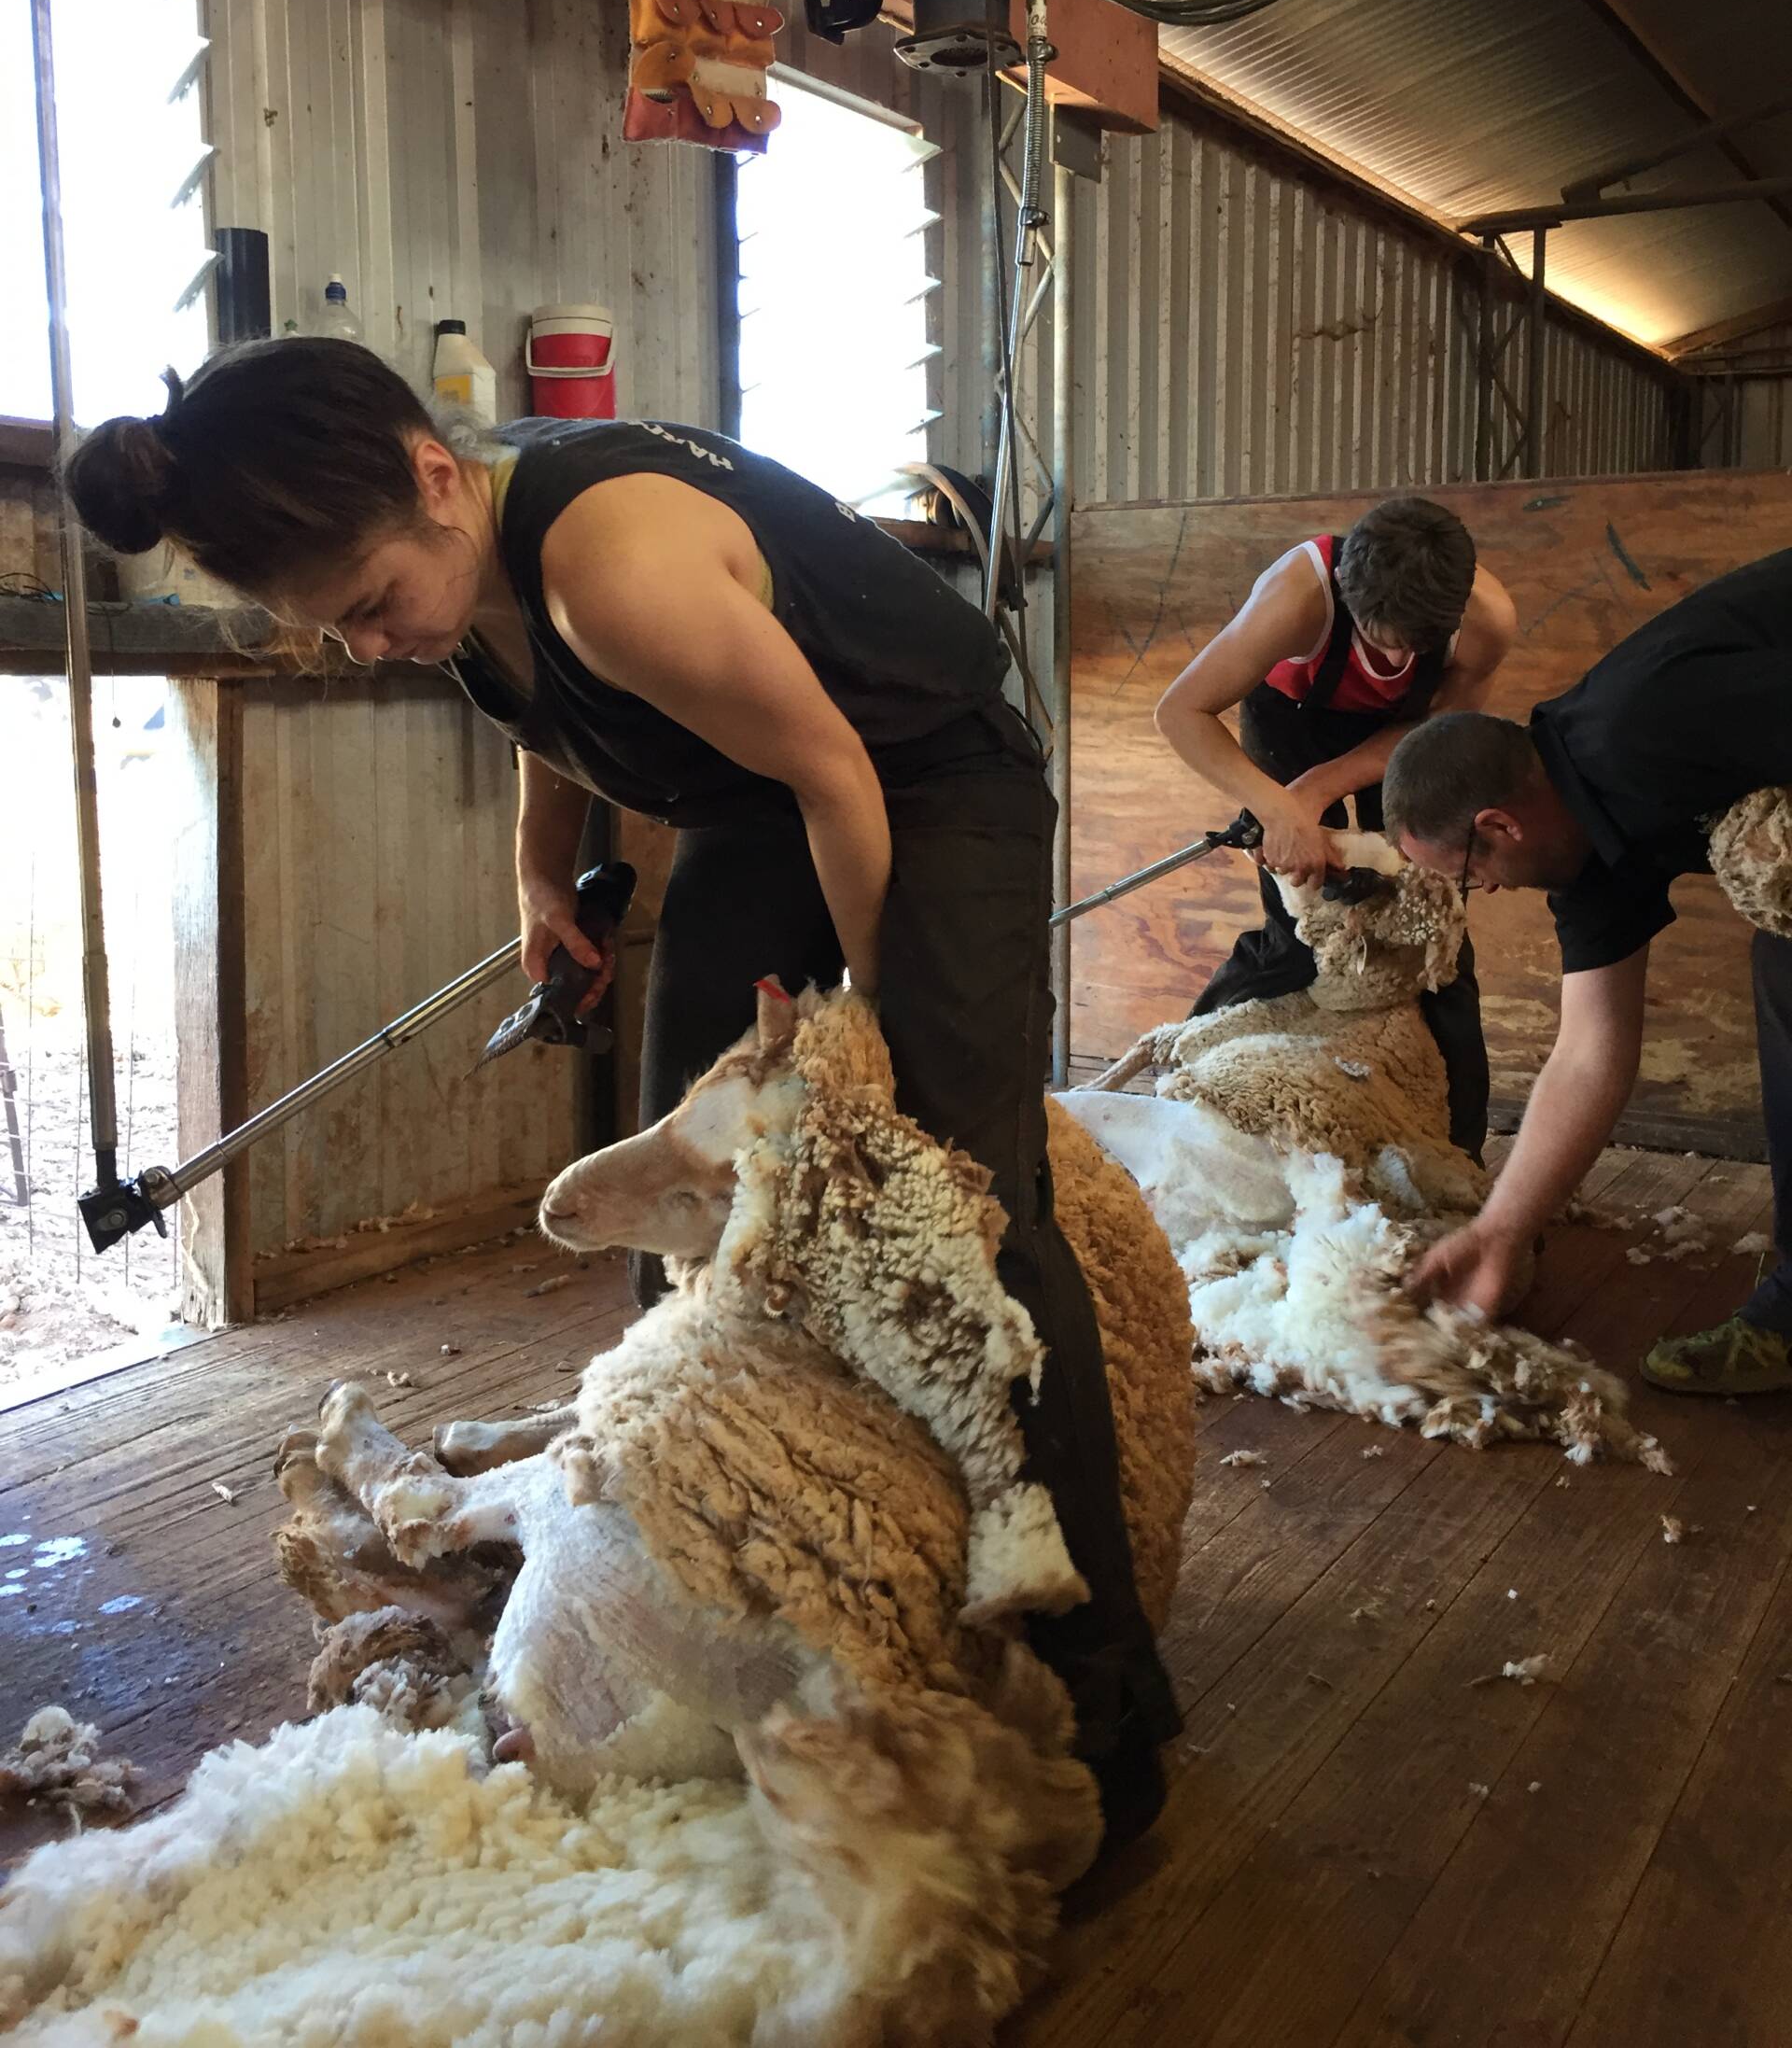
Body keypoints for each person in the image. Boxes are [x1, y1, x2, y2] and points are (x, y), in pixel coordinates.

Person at [65, 337, 1179, 1845]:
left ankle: (1107, 1702)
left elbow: (844, 779)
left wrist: (873, 1042)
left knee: (958, 1215)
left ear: (435, 481)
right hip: (752, 795)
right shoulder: (461, 561)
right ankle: (681, 1554)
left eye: (373, 606)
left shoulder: (618, 566)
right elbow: (527, 697)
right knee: (679, 1204)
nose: (368, 643)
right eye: (332, 628)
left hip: (924, 776)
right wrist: (538, 875)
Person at [1382, 546, 1792, 1395]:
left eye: (1466, 873)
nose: (1481, 893)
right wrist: (1498, 1233)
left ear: (1499, 824)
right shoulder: (1583, 852)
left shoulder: (1645, 727)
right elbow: (1589, 1053)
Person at [1155, 496, 1515, 1156]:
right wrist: (1279, 807)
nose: (1402, 653)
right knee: (1295, 938)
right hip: (1291, 720)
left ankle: (1460, 1163)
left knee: (1437, 942)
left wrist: (1319, 791)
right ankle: (1185, 1105)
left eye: (1420, 644)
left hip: (1404, 740)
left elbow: (1430, 732)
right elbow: (1180, 712)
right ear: (1349, 586)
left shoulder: (1487, 622)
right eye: (1385, 637)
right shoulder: (1298, 596)